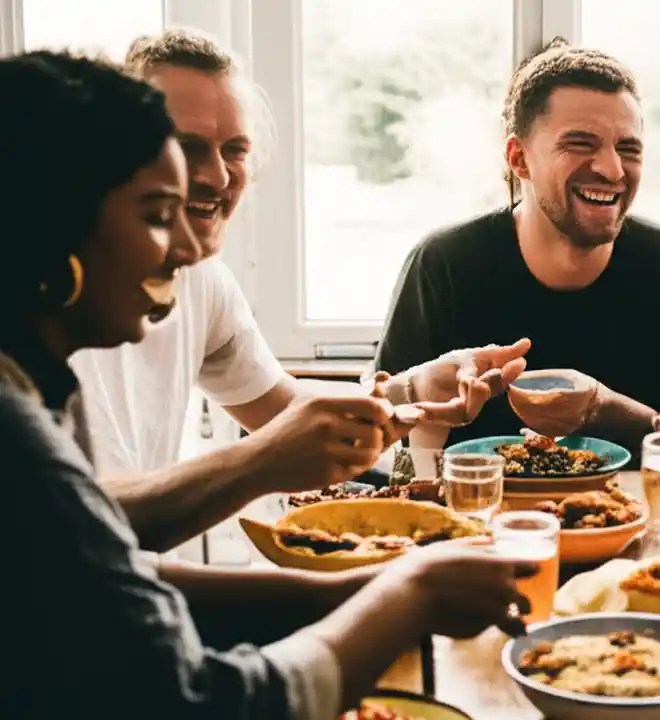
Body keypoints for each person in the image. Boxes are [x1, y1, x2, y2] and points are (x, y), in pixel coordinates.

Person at [4, 51, 535, 718]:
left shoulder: (38, 375)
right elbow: (202, 701)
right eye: (155, 210)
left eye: (234, 150)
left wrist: (405, 395)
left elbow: (104, 567)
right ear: (65, 214)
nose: (187, 249)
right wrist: (407, 599)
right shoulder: (16, 431)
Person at [69, 28, 528, 553]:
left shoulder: (204, 279)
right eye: (186, 146)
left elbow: (281, 407)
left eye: (235, 150)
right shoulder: (59, 305)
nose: (218, 176)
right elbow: (85, 530)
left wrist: (413, 390)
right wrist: (262, 463)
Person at [375, 39, 660, 454]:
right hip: (476, 514)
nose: (612, 169)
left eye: (628, 148)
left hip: (638, 515)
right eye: (580, 144)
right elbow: (380, 437)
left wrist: (603, 410)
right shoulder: (443, 265)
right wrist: (419, 396)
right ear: (519, 159)